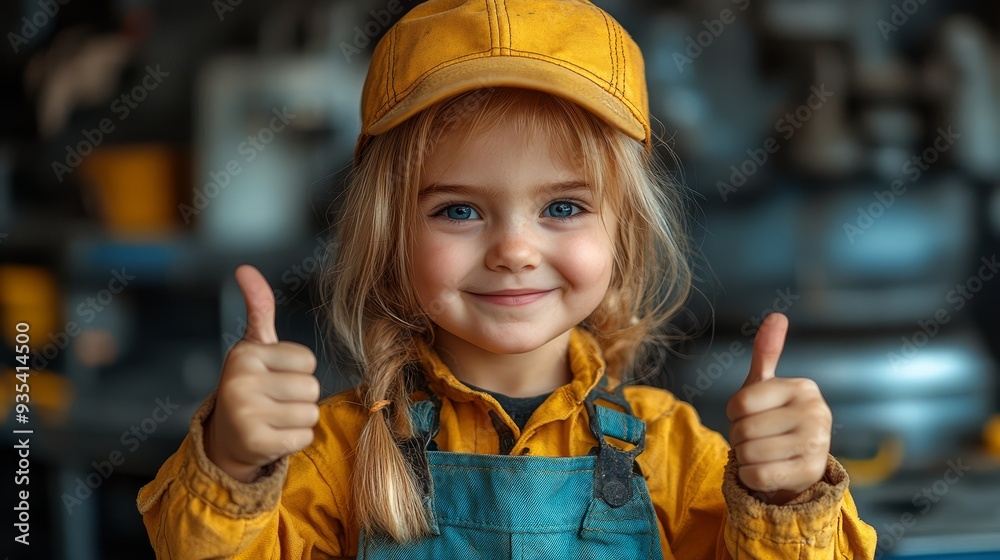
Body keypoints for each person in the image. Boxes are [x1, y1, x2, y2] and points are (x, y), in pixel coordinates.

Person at [137, 0, 878, 557]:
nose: (515, 250)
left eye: (562, 206)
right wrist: (234, 463)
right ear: (390, 236)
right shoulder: (336, 455)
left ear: (621, 230)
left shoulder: (674, 453)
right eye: (459, 210)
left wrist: (787, 496)